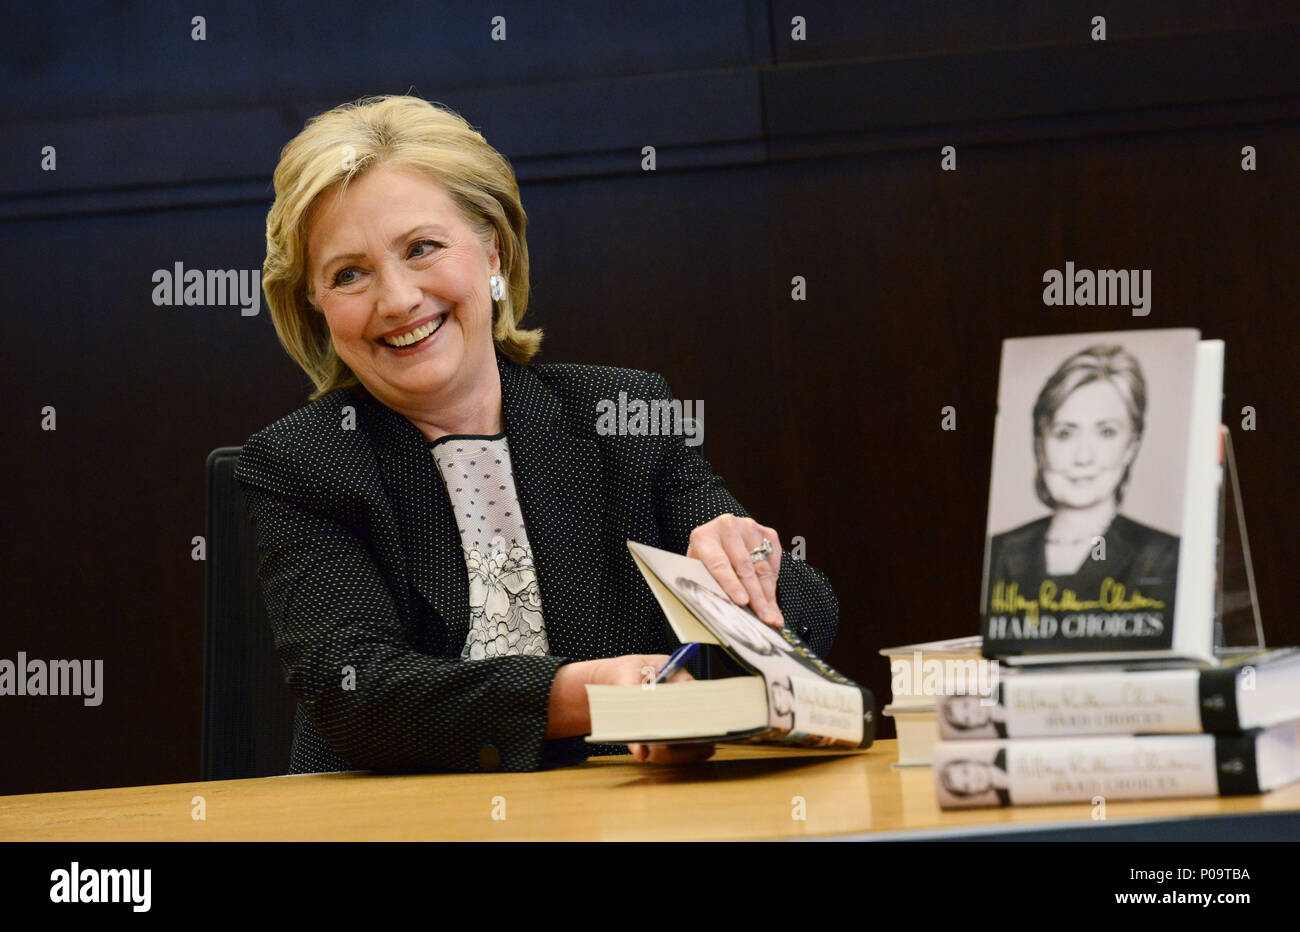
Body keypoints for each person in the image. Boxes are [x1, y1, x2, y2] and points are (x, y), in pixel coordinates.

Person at [235, 95, 840, 774]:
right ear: (315, 308)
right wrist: (596, 691)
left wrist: (750, 570)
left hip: (624, 816)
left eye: (422, 248)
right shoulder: (303, 464)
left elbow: (808, 611)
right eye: (350, 274)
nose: (398, 298)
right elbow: (357, 691)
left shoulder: (623, 415)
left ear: (493, 252)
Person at [985, 344, 1179, 626]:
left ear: (1132, 445)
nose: (1083, 457)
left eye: (1106, 432)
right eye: (1065, 433)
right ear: (1040, 444)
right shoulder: (998, 552)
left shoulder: (1164, 556)